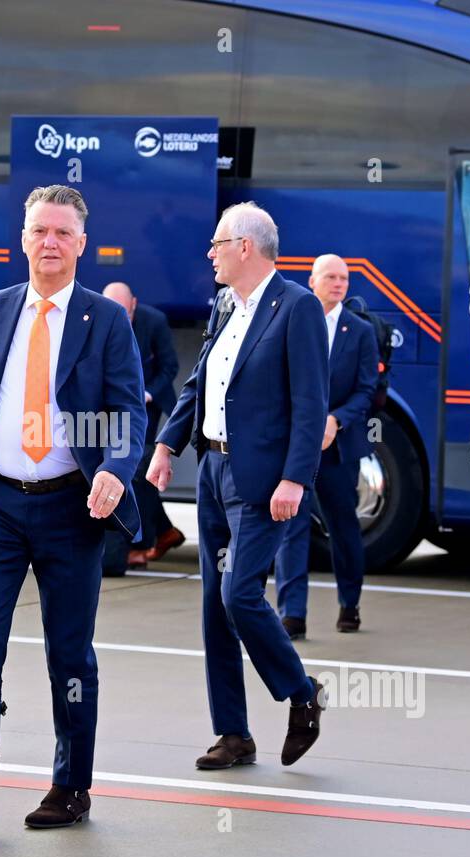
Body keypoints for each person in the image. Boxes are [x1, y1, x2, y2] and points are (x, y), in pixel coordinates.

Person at [0, 185, 145, 830]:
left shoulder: (107, 320)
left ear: (81, 244)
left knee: (69, 654)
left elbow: (128, 412)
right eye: (40, 230)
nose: (49, 242)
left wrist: (117, 472)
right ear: (23, 238)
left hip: (73, 507)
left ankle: (71, 787)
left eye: (62, 233)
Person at [147, 201, 329, 772]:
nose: (211, 254)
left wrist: (296, 478)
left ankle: (302, 693)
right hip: (213, 470)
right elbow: (199, 381)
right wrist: (166, 445)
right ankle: (233, 733)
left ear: (245, 247)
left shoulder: (296, 308)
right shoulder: (227, 304)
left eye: (218, 244)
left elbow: (310, 402)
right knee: (213, 607)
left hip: (262, 479)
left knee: (239, 595)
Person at [274, 254, 379, 638]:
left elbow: (367, 387)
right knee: (292, 527)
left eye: (345, 279)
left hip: (338, 448)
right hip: (296, 445)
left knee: (343, 526)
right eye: (331, 277)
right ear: (313, 280)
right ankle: (293, 613)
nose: (339, 284)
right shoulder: (292, 320)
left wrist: (336, 419)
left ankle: (350, 604)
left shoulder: (360, 331)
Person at [101, 282, 183, 568]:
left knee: (140, 467)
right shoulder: (98, 317)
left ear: (134, 304)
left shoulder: (154, 321)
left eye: (124, 312)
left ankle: (151, 537)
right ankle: (162, 532)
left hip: (147, 404)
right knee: (133, 473)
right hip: (112, 405)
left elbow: (169, 366)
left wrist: (148, 393)